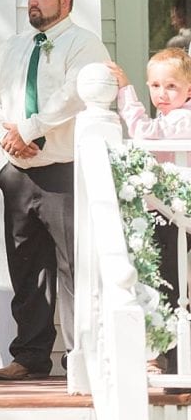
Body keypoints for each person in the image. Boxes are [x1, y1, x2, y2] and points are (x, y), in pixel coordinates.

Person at [0, 0, 107, 382]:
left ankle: (81, 356)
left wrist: (28, 130)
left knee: (74, 269)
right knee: (26, 269)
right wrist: (5, 135)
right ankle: (30, 357)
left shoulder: (84, 44)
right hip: (19, 172)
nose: (32, 2)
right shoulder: (13, 45)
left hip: (64, 173)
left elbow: (71, 97)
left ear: (64, 1)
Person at [109, 45, 191, 366]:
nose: (162, 93)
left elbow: (144, 132)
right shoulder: (170, 115)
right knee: (164, 278)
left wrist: (126, 92)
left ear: (189, 89)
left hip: (178, 213)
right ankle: (166, 353)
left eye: (171, 86)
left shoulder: (183, 118)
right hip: (166, 211)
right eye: (155, 85)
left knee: (169, 280)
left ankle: (170, 356)